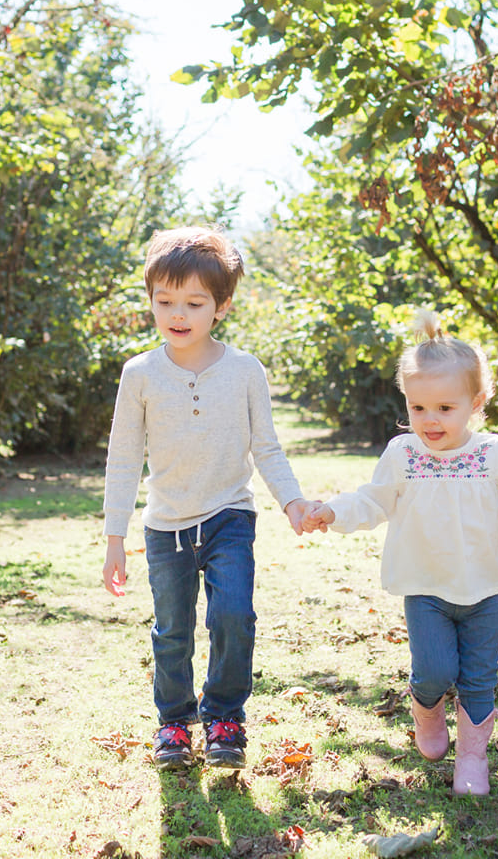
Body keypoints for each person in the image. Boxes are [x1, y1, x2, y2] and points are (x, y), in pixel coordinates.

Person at [301, 310, 498, 796]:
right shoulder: (403, 454)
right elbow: (373, 500)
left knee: (478, 678)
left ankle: (472, 757)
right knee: (433, 670)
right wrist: (334, 511)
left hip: (485, 589)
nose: (429, 421)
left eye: (445, 409)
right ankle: (425, 707)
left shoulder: (491, 453)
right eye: (418, 408)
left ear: (476, 402)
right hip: (425, 588)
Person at [102, 226, 317, 772]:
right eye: (165, 301)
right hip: (165, 525)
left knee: (233, 616)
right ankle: (174, 720)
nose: (178, 313)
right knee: (172, 629)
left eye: (194, 302)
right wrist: (114, 539)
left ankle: (224, 715)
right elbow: (125, 459)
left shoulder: (245, 371)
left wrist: (292, 503)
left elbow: (266, 448)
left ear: (221, 306)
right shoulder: (141, 374)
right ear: (150, 299)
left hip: (229, 516)